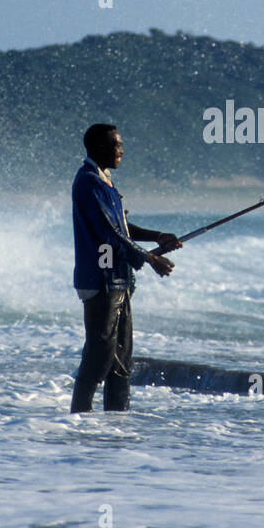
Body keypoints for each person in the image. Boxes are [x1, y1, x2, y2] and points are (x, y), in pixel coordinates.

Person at [70, 123, 182, 413]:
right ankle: (79, 424)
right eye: (115, 145)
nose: (121, 150)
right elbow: (110, 234)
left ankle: (115, 429)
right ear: (97, 148)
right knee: (98, 359)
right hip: (100, 280)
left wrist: (158, 237)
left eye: (120, 144)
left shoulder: (105, 180)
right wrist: (150, 258)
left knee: (120, 363)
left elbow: (122, 227)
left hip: (118, 280)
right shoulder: (89, 183)